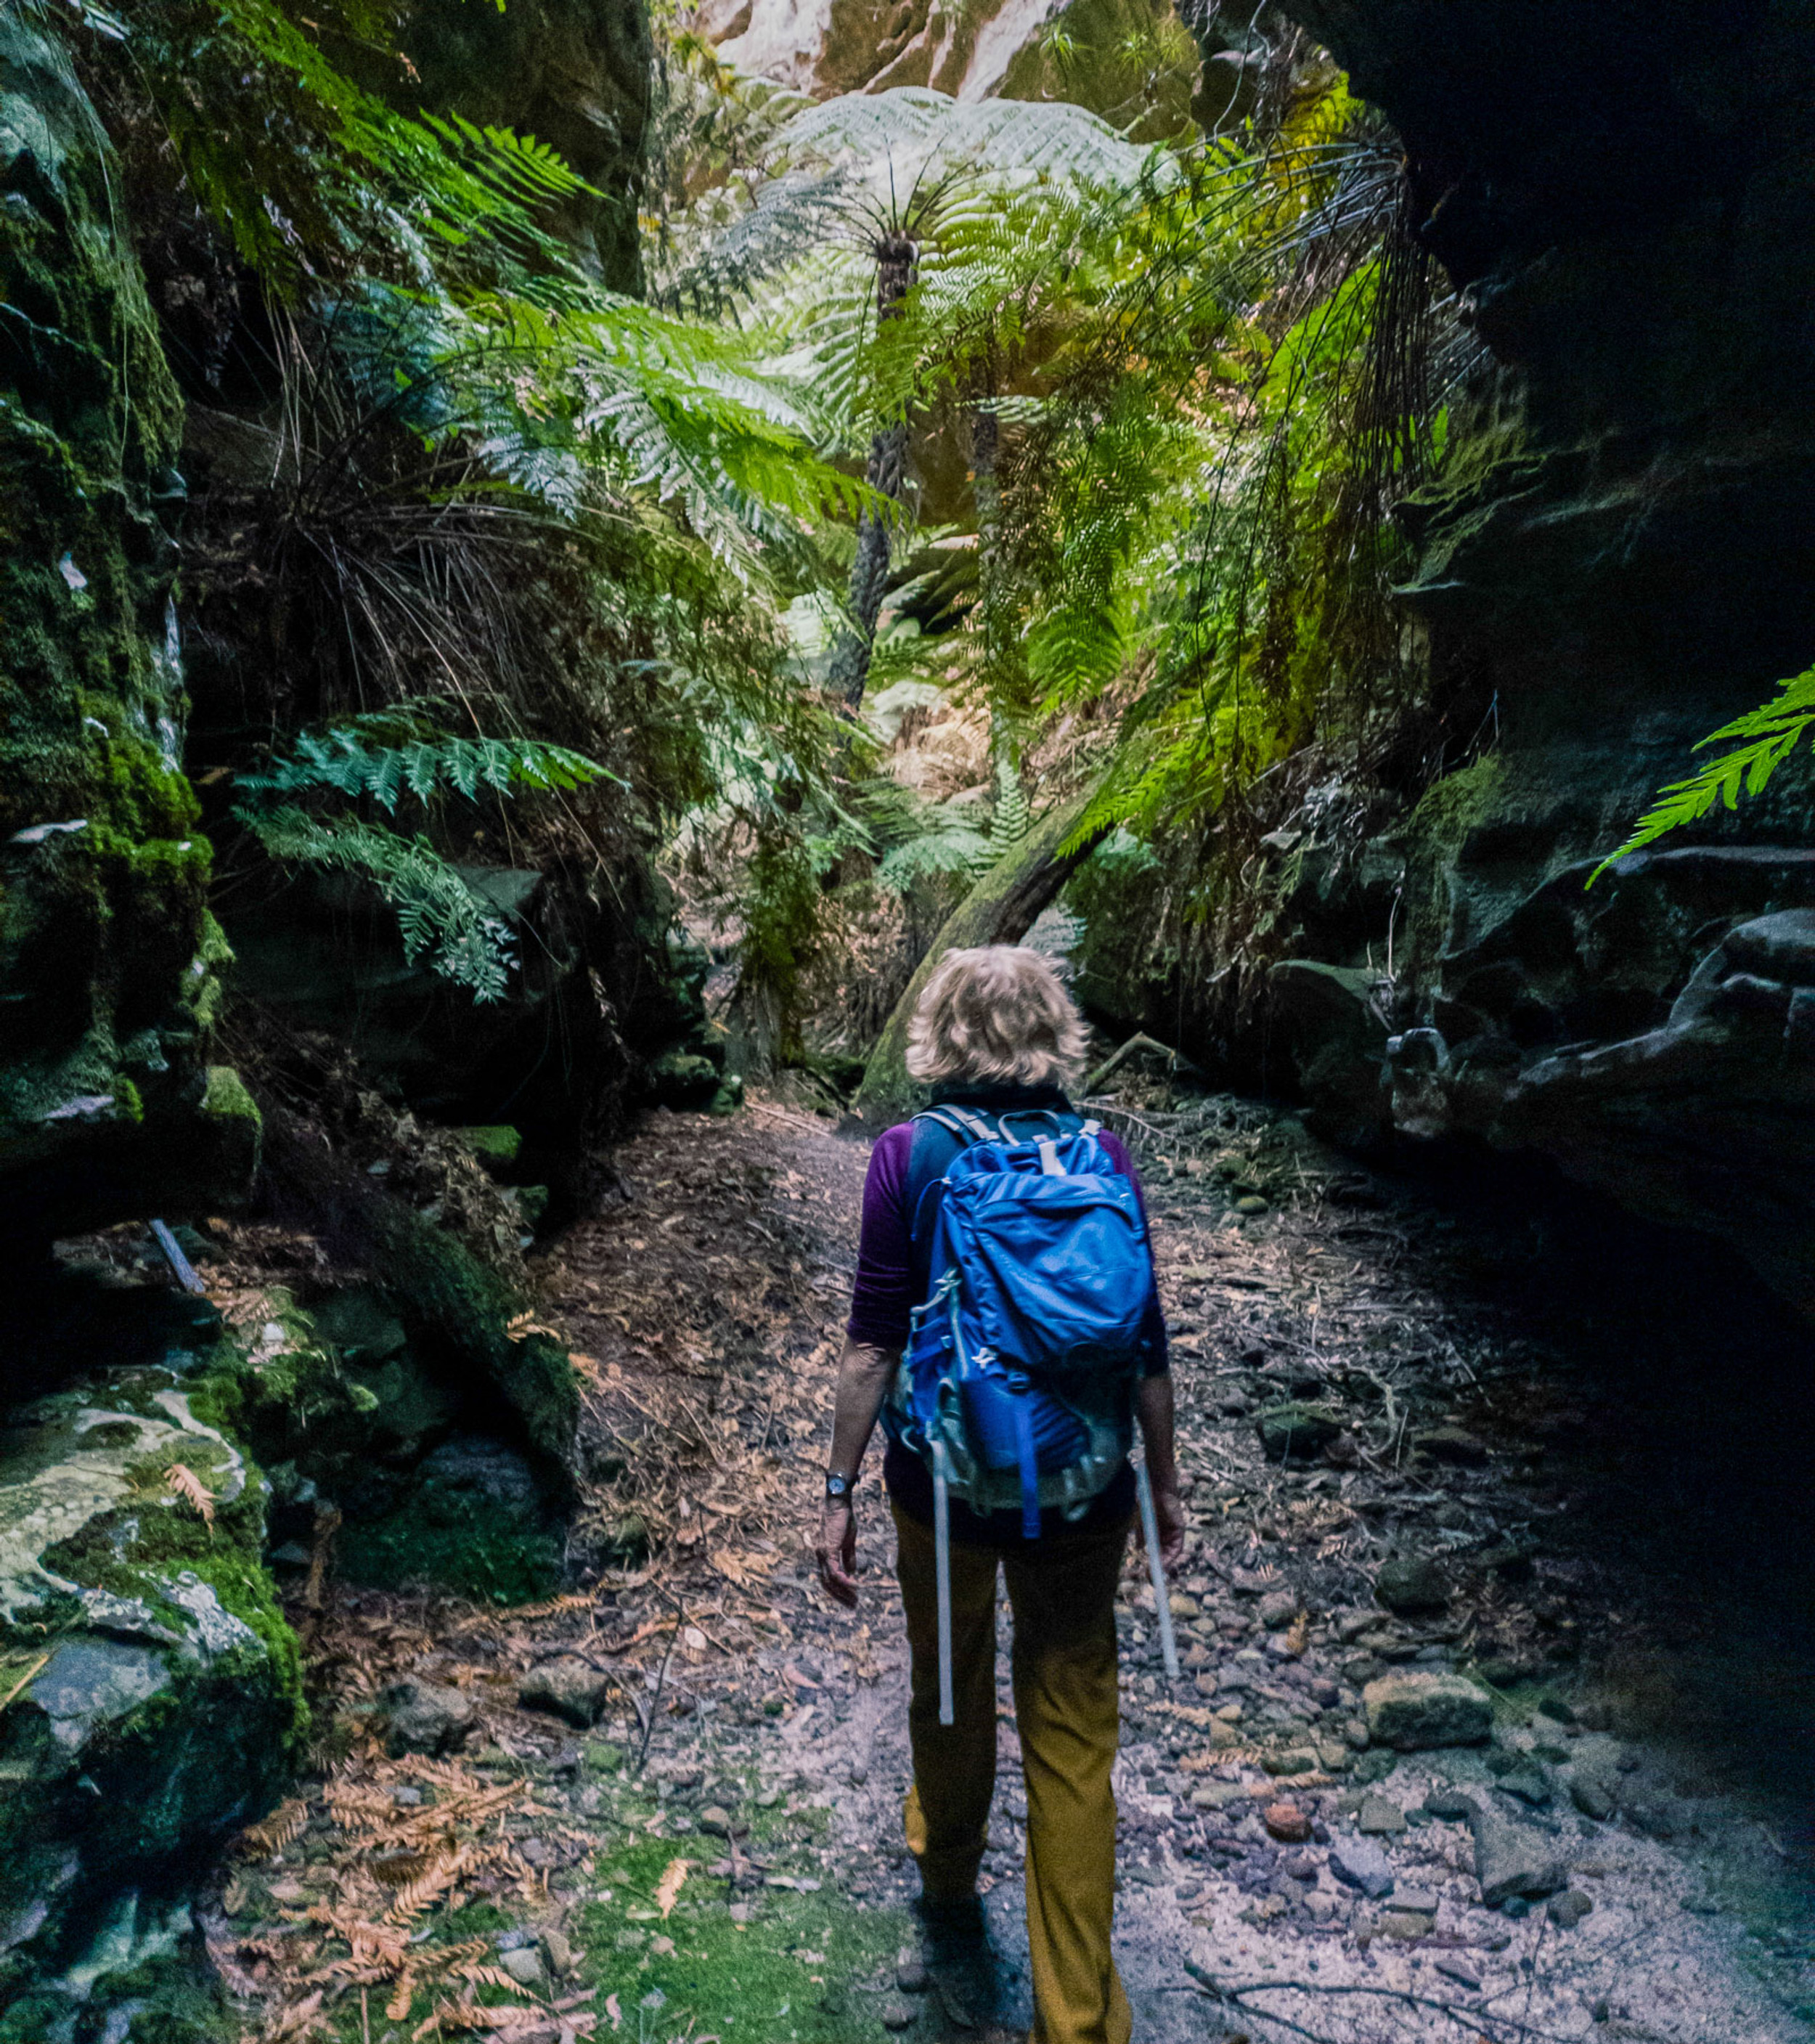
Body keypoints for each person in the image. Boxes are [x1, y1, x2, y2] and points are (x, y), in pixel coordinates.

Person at [814, 945, 1185, 2044]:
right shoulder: (1102, 1153)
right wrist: (1163, 1484)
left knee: (953, 1673)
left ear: (942, 1033)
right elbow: (1147, 1345)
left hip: (947, 1492)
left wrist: (835, 1489)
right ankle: (1077, 2020)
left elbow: (873, 1347)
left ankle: (946, 1873)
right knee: (1072, 1728)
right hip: (1085, 1493)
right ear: (1050, 1031)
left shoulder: (908, 1157)